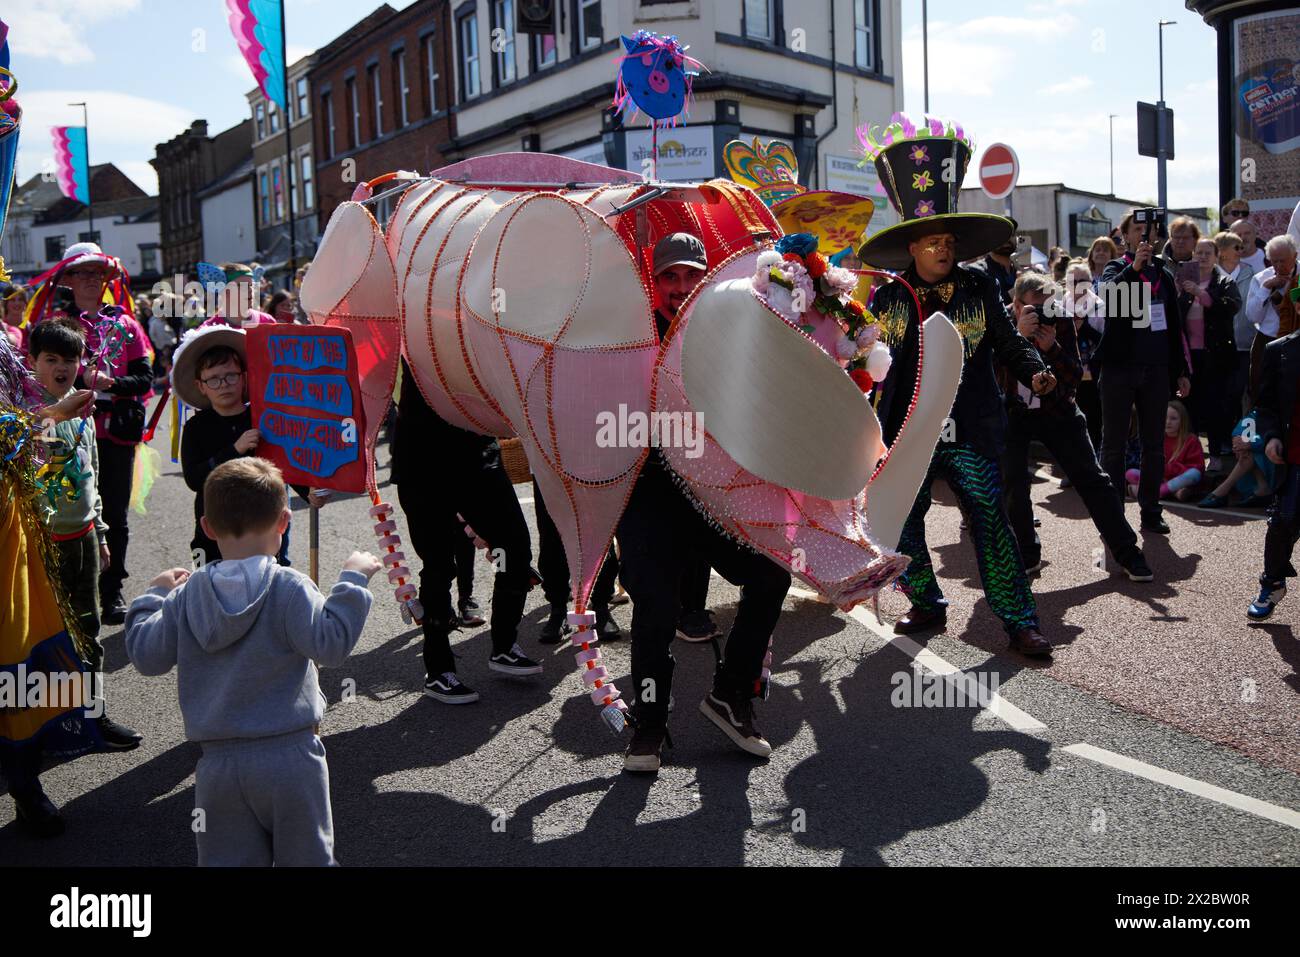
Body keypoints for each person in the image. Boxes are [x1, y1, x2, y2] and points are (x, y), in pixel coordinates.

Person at [125, 456, 380, 865]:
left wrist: (152, 597)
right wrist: (351, 580)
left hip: (217, 766)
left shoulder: (187, 596)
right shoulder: (289, 586)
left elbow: (146, 656)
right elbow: (331, 645)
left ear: (207, 527)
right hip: (292, 757)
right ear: (284, 522)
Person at [864, 124, 1055, 657]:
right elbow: (871, 363)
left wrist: (1033, 369)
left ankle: (1019, 621)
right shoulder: (889, 298)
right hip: (908, 432)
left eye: (949, 241)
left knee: (991, 518)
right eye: (933, 241)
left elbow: (1008, 342)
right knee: (902, 519)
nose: (944, 249)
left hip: (970, 427)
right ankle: (925, 601)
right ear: (912, 247)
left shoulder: (979, 286)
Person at [619, 232, 792, 772]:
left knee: (770, 577)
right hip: (648, 491)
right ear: (653, 283)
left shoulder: (731, 329)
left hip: (713, 493)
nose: (681, 287)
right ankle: (648, 725)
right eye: (669, 276)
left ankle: (730, 694)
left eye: (692, 275)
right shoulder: (630, 337)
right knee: (656, 610)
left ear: (708, 280)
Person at [393, 358, 542, 705]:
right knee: (440, 565)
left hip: (479, 456)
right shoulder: (410, 325)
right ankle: (439, 671)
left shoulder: (480, 318)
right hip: (422, 463)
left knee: (515, 550)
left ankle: (504, 645)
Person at [27, 318, 144, 750]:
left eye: (70, 359)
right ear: (32, 361)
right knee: (42, 640)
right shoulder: (24, 414)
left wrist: (99, 531)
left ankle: (92, 717)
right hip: (40, 545)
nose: (61, 367)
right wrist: (54, 414)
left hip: (83, 539)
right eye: (50, 359)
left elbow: (90, 474)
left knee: (88, 632)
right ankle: (44, 726)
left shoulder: (85, 416)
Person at [999, 273, 1152, 580]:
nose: (1044, 314)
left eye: (1049, 307)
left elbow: (1075, 375)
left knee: (1094, 480)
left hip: (1058, 409)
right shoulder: (1000, 322)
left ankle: (1127, 552)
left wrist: (1052, 347)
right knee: (1013, 483)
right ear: (1016, 305)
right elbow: (990, 374)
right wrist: (1017, 336)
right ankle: (1027, 553)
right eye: (1035, 309)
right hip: (1013, 412)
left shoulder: (1061, 319)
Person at [48, 243, 155, 626]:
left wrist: (113, 381)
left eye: (98, 273)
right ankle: (72, 588)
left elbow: (145, 377)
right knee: (69, 508)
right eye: (84, 273)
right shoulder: (58, 327)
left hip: (117, 431)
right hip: (69, 429)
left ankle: (112, 590)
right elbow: (43, 375)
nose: (92, 280)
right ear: (69, 280)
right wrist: (79, 377)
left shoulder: (126, 324)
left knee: (116, 513)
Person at [172, 325, 321, 567]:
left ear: (244, 377)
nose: (224, 384)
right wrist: (235, 450)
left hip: (266, 520)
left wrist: (309, 492)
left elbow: (287, 462)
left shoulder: (265, 418)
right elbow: (194, 479)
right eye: (214, 379)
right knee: (214, 586)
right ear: (201, 386)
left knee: (271, 579)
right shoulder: (196, 428)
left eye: (231, 376)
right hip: (215, 527)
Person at [1097, 210, 1193, 535]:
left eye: (1147, 230)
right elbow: (1108, 298)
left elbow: (1174, 326)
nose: (1142, 235)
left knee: (1153, 444)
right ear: (1125, 236)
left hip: (1155, 368)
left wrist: (1180, 369)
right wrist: (1133, 269)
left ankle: (1151, 510)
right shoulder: (1115, 268)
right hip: (1119, 368)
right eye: (1136, 229)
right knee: (1114, 444)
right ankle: (1112, 514)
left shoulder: (1163, 275)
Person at [1244, 327, 1300, 620]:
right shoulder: (1279, 351)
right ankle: (1273, 583)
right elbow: (1264, 407)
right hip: (1296, 455)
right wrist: (1271, 437)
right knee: (1283, 520)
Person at [1177, 237, 1241, 470]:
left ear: (1216, 257)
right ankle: (1190, 459)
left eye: (1207, 253)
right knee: (1189, 407)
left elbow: (1231, 306)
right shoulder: (1185, 279)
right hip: (1188, 356)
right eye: (1199, 253)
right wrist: (1185, 292)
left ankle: (1215, 456)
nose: (1202, 257)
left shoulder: (1224, 281)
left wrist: (1202, 296)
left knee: (1215, 406)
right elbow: (1175, 313)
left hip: (1215, 356)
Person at [534, 478, 621, 643]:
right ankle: (558, 609)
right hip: (547, 466)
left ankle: (600, 606)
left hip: (592, 465)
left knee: (600, 534)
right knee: (552, 541)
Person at [1244, 234, 1299, 404]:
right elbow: (1252, 316)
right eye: (1274, 261)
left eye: (1283, 261)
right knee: (1261, 391)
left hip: (1295, 338)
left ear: (1295, 256)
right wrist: (1266, 288)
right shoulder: (1261, 278)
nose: (1278, 266)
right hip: (1266, 340)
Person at [1214, 230, 1257, 422]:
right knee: (1222, 392)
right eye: (1236, 247)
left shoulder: (1251, 273)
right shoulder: (1210, 276)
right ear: (1222, 252)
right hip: (1218, 344)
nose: (1242, 250)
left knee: (1240, 389)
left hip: (1244, 343)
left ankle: (1241, 438)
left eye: (1242, 246)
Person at [1197, 413, 1279, 509]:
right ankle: (1262, 488)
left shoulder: (1280, 410)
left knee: (1250, 449)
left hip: (1276, 457)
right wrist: (1237, 440)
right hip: (1257, 459)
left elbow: (1280, 434)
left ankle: (1222, 492)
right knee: (1244, 450)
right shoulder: (1255, 412)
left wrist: (1252, 444)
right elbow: (1244, 426)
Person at [1065, 261, 1106, 453]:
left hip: (1094, 374)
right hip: (1067, 373)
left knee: (1093, 419)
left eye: (1083, 280)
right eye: (1074, 280)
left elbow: (1106, 341)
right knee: (1070, 423)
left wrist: (1084, 328)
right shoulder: (1060, 304)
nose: (1078, 284)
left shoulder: (1100, 306)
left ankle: (1095, 464)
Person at [1128, 400, 1203, 503]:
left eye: (1173, 419)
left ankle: (1157, 492)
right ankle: (1173, 492)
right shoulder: (1158, 438)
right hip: (1161, 478)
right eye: (1165, 417)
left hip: (1181, 477)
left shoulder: (1191, 440)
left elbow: (1198, 467)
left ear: (1182, 420)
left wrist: (1172, 468)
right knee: (1130, 473)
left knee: (1194, 474)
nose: (1168, 422)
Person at [198, 262, 276, 328]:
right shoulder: (209, 330)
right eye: (242, 286)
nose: (250, 290)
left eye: (251, 285)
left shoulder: (268, 322)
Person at [969, 238, 1017, 303]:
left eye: (1011, 233)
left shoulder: (1020, 269)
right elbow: (980, 307)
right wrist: (1010, 295)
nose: (1006, 238)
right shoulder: (976, 271)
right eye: (999, 233)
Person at [2, 281, 26, 349]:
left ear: (25, 303)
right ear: (5, 303)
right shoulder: (1, 327)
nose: (17, 303)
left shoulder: (33, 326)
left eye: (20, 299)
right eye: (12, 300)